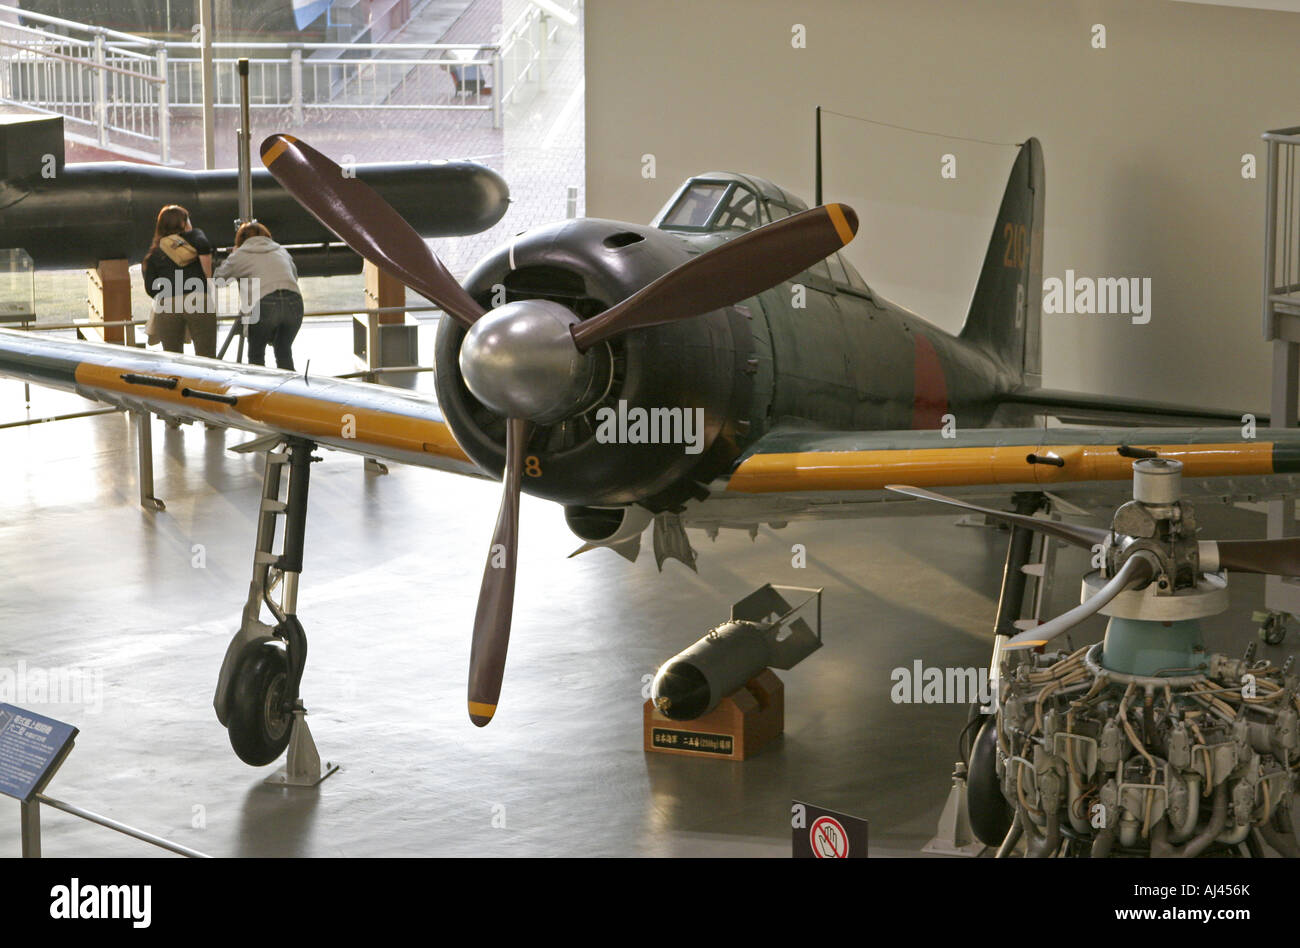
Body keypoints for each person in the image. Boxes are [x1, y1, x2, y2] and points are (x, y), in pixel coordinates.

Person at [214, 221, 304, 371]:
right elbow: (294, 277)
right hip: (294, 301)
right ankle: (291, 391)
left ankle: (259, 392)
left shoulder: (241, 254)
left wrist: (234, 254)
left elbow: (219, 279)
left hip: (265, 302)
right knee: (284, 352)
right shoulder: (281, 250)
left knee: (256, 356)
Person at [141, 204, 217, 357]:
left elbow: (150, 288)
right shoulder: (195, 238)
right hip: (198, 299)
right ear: (184, 222)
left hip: (167, 303)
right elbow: (204, 246)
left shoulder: (155, 252)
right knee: (207, 356)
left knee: (173, 358)